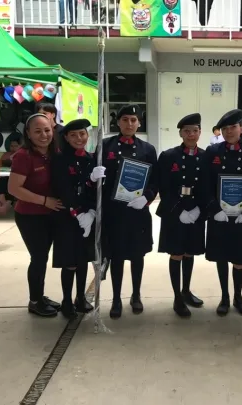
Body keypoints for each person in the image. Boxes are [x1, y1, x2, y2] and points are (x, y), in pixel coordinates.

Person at [93, 104, 158, 319]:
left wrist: (147, 198)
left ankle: (136, 295)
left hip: (137, 212)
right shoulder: (105, 145)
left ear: (139, 123)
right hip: (114, 213)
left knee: (137, 256)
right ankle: (116, 299)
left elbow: (155, 181)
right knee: (117, 257)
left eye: (133, 120)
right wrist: (93, 176)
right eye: (125, 120)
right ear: (118, 122)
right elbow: (93, 181)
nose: (129, 124)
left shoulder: (148, 149)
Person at [204, 109, 242, 316]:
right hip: (219, 214)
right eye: (225, 128)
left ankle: (238, 296)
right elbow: (205, 184)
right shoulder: (212, 153)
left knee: (239, 259)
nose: (229, 131)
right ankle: (224, 296)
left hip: (241, 215)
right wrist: (213, 209)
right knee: (221, 256)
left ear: (241, 128)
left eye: (233, 127)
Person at [8, 113, 65, 317]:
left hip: (52, 214)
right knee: (39, 257)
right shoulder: (24, 156)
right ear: (28, 134)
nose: (44, 135)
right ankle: (35, 301)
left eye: (47, 130)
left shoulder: (55, 152)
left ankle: (40, 296)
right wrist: (44, 201)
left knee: (44, 257)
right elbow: (14, 188)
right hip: (31, 216)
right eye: (38, 131)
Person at [156, 113, 206, 317]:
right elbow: (163, 187)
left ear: (200, 132)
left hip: (195, 213)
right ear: (180, 133)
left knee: (189, 252)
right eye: (187, 131)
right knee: (176, 253)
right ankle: (177, 297)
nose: (191, 134)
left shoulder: (206, 156)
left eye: (195, 130)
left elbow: (207, 186)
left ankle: (186, 290)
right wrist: (178, 210)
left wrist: (198, 209)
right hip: (174, 213)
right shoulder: (169, 156)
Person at [51, 119, 96, 319]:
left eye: (82, 134)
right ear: (66, 138)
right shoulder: (60, 159)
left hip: (88, 217)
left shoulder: (91, 158)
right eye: (74, 135)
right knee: (70, 261)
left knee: (83, 259)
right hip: (68, 217)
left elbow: (93, 190)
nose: (79, 138)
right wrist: (77, 213)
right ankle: (67, 300)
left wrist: (92, 212)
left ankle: (80, 297)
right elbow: (63, 189)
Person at [0, 132, 22, 215]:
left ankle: (5, 204)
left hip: (15, 177)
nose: (13, 148)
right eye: (11, 146)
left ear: (20, 146)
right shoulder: (5, 155)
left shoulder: (22, 155)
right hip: (4, 175)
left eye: (15, 146)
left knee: (10, 183)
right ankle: (5, 204)